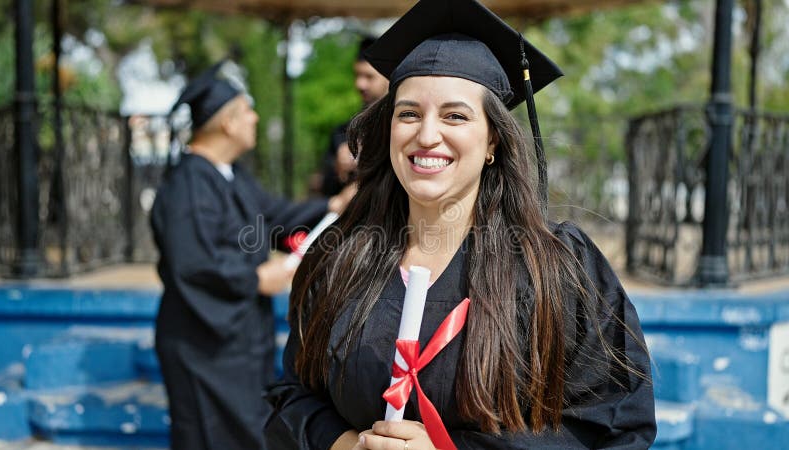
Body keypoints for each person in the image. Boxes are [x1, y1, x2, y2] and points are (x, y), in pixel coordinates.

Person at [265, 0, 656, 449]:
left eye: (455, 116)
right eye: (408, 113)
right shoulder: (341, 259)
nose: (427, 134)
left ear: (493, 138)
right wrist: (344, 444)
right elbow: (292, 399)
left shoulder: (556, 267)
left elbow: (612, 427)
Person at [150, 60, 353, 450]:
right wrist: (257, 278)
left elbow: (276, 218)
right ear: (227, 122)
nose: (255, 118)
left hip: (236, 341)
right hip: (203, 346)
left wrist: (334, 204)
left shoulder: (230, 175)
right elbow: (191, 264)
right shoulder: (189, 184)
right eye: (247, 110)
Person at [319, 37, 390, 197]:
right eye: (357, 75)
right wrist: (338, 168)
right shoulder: (342, 133)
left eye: (369, 76)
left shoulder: (402, 126)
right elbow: (326, 191)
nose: (360, 84)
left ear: (388, 76)